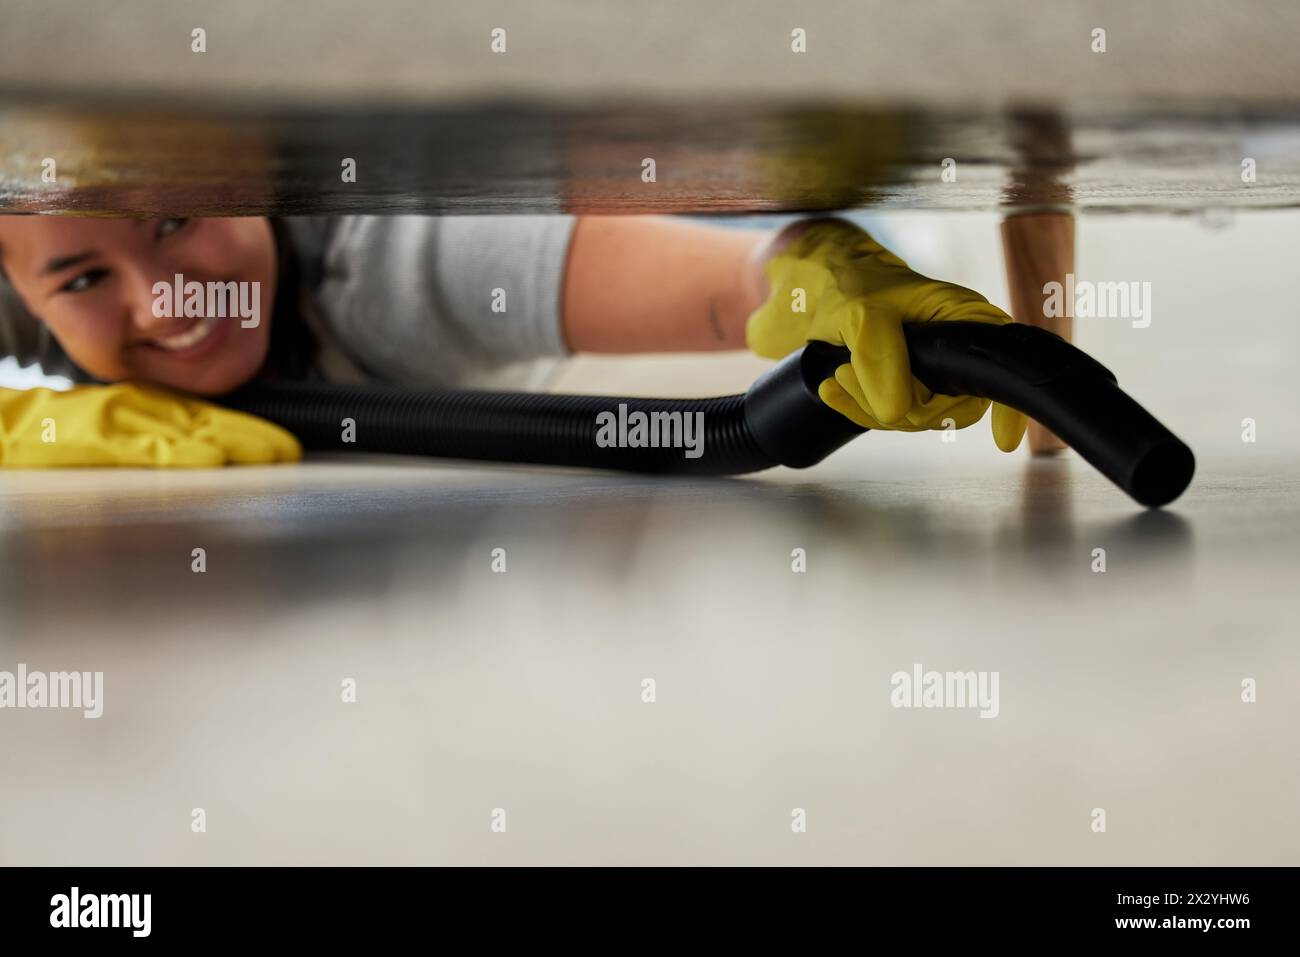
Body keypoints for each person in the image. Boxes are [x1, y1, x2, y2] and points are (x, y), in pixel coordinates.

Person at [0, 214, 1025, 466]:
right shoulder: (29, 283)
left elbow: (730, 296)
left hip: (759, 218)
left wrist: (832, 288)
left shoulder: (395, 271)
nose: (164, 299)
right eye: (82, 280)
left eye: (179, 222)